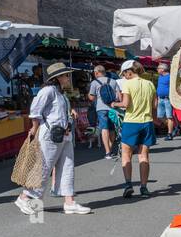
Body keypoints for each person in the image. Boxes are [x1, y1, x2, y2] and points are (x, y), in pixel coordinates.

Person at [17, 61, 92, 216]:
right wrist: (34, 127)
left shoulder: (60, 92)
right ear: (58, 77)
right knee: (44, 167)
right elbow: (36, 109)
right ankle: (25, 197)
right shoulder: (49, 90)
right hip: (51, 135)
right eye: (65, 75)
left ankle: (69, 202)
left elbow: (57, 111)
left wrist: (70, 112)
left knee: (67, 166)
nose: (68, 78)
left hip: (64, 134)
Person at [115, 58, 156, 197]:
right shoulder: (149, 84)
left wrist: (114, 104)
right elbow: (154, 104)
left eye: (124, 73)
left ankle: (128, 184)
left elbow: (125, 104)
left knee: (126, 154)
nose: (124, 76)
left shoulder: (128, 84)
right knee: (144, 156)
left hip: (131, 122)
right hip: (147, 121)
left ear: (129, 72)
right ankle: (144, 187)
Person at [88, 63, 119, 159]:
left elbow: (92, 98)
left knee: (104, 128)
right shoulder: (114, 81)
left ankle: (107, 152)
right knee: (112, 129)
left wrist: (90, 95)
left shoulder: (94, 82)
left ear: (97, 73)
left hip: (101, 108)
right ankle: (110, 148)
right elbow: (118, 96)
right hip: (112, 108)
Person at [155, 61, 175, 138]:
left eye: (158, 68)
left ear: (162, 69)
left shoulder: (170, 77)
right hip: (160, 99)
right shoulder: (160, 77)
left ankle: (169, 133)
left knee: (169, 116)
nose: (157, 69)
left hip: (168, 99)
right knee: (159, 116)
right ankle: (174, 126)